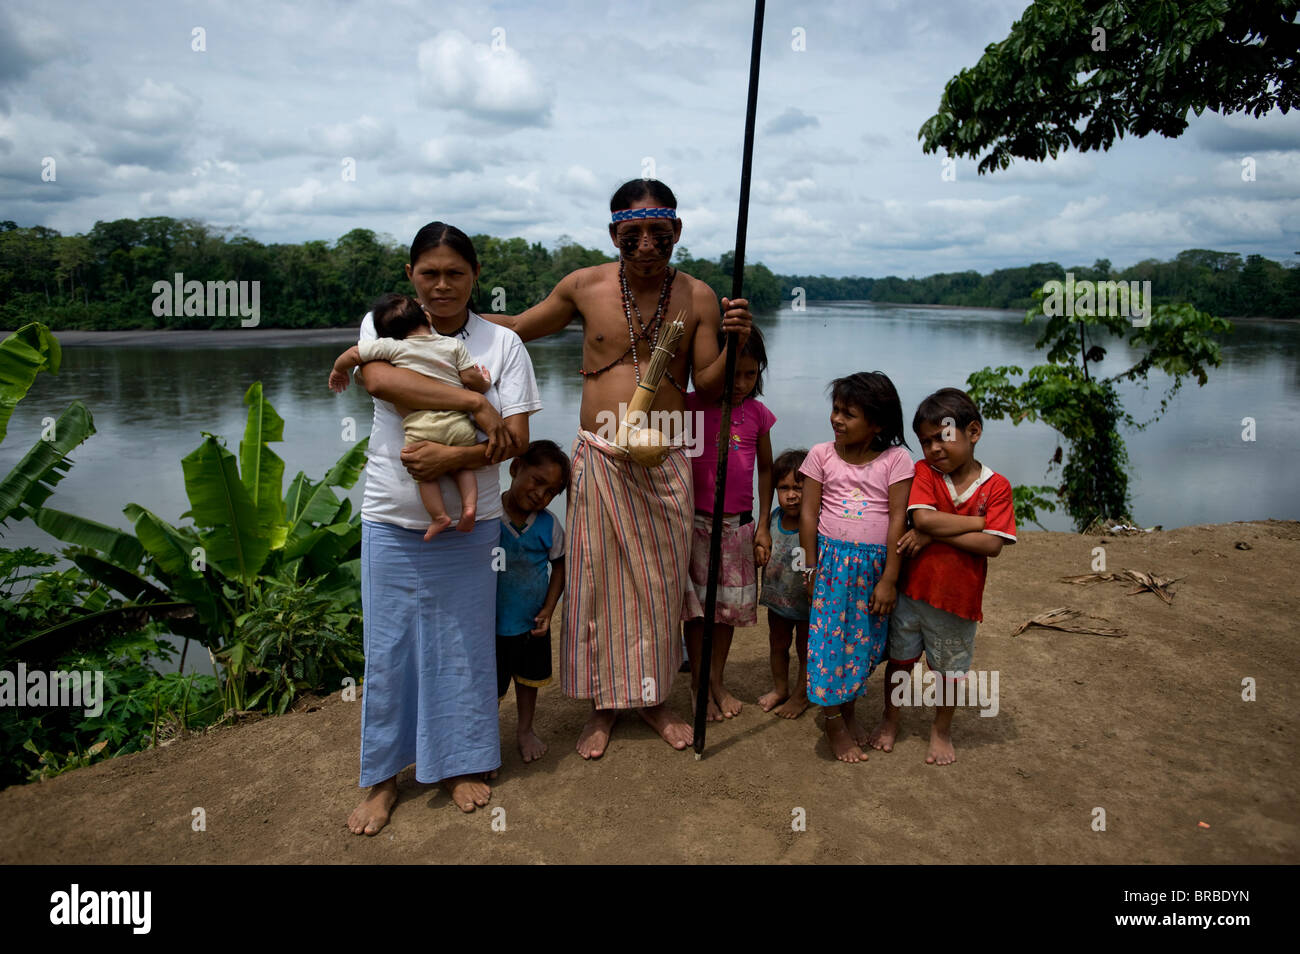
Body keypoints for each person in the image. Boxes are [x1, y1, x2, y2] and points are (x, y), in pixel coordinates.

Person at [484, 178, 752, 759]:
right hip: (600, 457)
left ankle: (654, 700)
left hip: (667, 458)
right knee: (596, 585)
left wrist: (735, 339)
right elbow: (519, 328)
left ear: (677, 231)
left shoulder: (700, 297)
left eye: (660, 233)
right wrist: (449, 321)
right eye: (633, 235)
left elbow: (708, 383)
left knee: (659, 587)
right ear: (614, 234)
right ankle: (604, 706)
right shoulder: (584, 286)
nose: (648, 246)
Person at [345, 222, 541, 836]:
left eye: (455, 273)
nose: (441, 284)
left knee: (463, 647)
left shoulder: (501, 344)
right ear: (411, 276)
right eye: (429, 272)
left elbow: (517, 442)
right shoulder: (388, 323)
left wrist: (451, 458)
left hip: (471, 524)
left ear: (475, 276)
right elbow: (379, 380)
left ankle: (461, 763)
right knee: (389, 648)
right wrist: (476, 405)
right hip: (389, 517)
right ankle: (382, 778)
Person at [869, 388, 1016, 765]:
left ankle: (940, 729)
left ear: (973, 432)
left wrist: (934, 534)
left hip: (957, 603)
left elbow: (991, 547)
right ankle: (891, 717)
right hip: (912, 593)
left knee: (950, 672)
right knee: (901, 663)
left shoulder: (996, 486)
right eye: (926, 441)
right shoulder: (924, 473)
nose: (934, 448)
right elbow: (923, 517)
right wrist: (978, 522)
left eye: (944, 436)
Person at [799, 372, 912, 764]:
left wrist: (890, 578)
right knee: (828, 646)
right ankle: (832, 722)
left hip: (874, 571)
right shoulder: (821, 455)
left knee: (861, 646)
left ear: (878, 423)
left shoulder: (896, 460)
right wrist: (810, 568)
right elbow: (809, 515)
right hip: (830, 567)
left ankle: (846, 710)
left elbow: (899, 520)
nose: (837, 419)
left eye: (849, 413)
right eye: (835, 410)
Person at [329, 292, 489, 540]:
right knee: (463, 467)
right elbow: (472, 380)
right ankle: (469, 508)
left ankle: (439, 516)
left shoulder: (394, 347)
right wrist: (485, 382)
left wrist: (339, 369)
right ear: (427, 317)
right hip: (458, 423)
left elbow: (354, 354)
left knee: (423, 473)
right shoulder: (453, 345)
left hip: (421, 427)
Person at [683, 327, 774, 721]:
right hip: (694, 526)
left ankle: (716, 680)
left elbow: (767, 470)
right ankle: (698, 684)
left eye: (750, 375)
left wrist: (765, 527)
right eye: (733, 373)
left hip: (738, 527)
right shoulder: (687, 407)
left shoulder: (757, 414)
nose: (740, 384)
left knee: (726, 611)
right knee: (698, 611)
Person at [496, 440, 571, 763]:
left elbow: (560, 565)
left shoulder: (548, 525)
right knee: (490, 688)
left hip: (531, 622)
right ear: (515, 469)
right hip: (490, 625)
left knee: (529, 681)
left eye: (551, 491)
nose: (541, 495)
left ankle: (525, 729)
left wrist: (549, 609)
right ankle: (485, 736)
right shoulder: (487, 516)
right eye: (537, 481)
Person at [756, 448, 812, 719]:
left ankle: (801, 695)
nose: (792, 495)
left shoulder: (817, 524)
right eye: (784, 488)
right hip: (777, 603)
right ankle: (781, 688)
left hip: (808, 607)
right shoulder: (772, 521)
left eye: (799, 487)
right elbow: (760, 550)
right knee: (777, 645)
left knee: (806, 651)